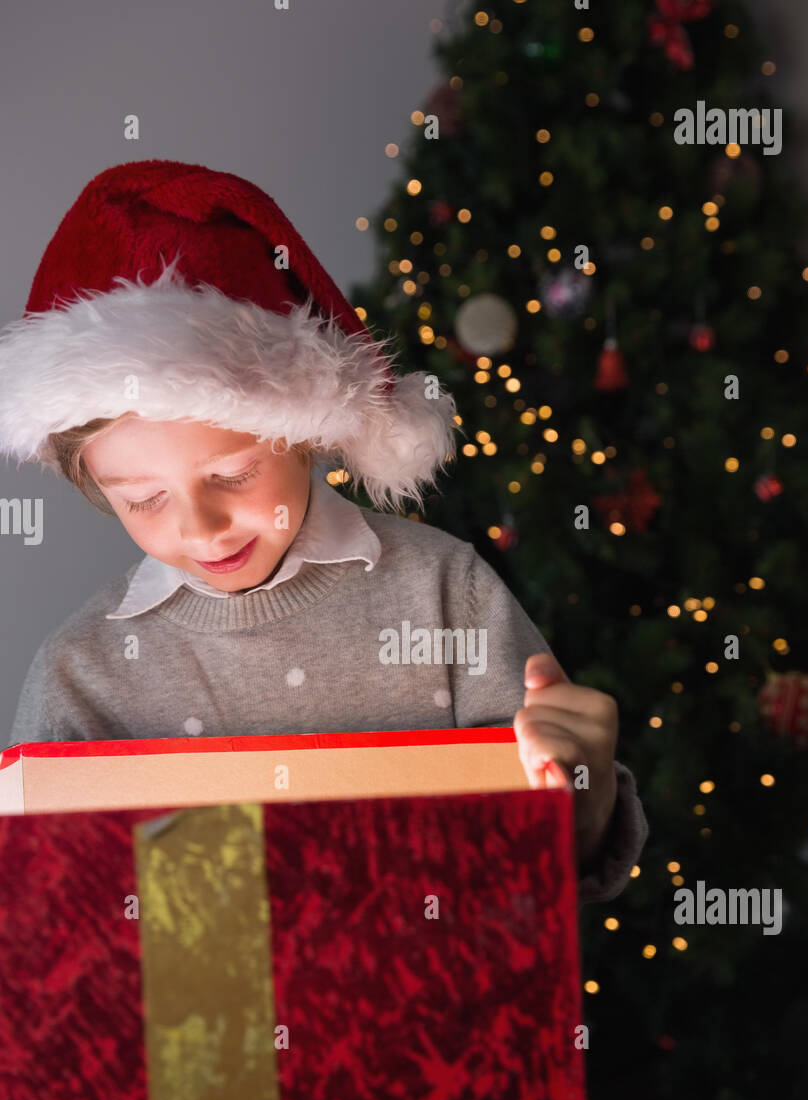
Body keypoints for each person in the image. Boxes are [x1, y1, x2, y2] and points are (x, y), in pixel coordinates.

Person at [0, 160, 648, 901]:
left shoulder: (444, 592)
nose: (201, 529)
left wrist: (586, 802)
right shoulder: (81, 675)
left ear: (305, 433)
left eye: (233, 476)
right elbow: (45, 929)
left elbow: (546, 868)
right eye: (143, 498)